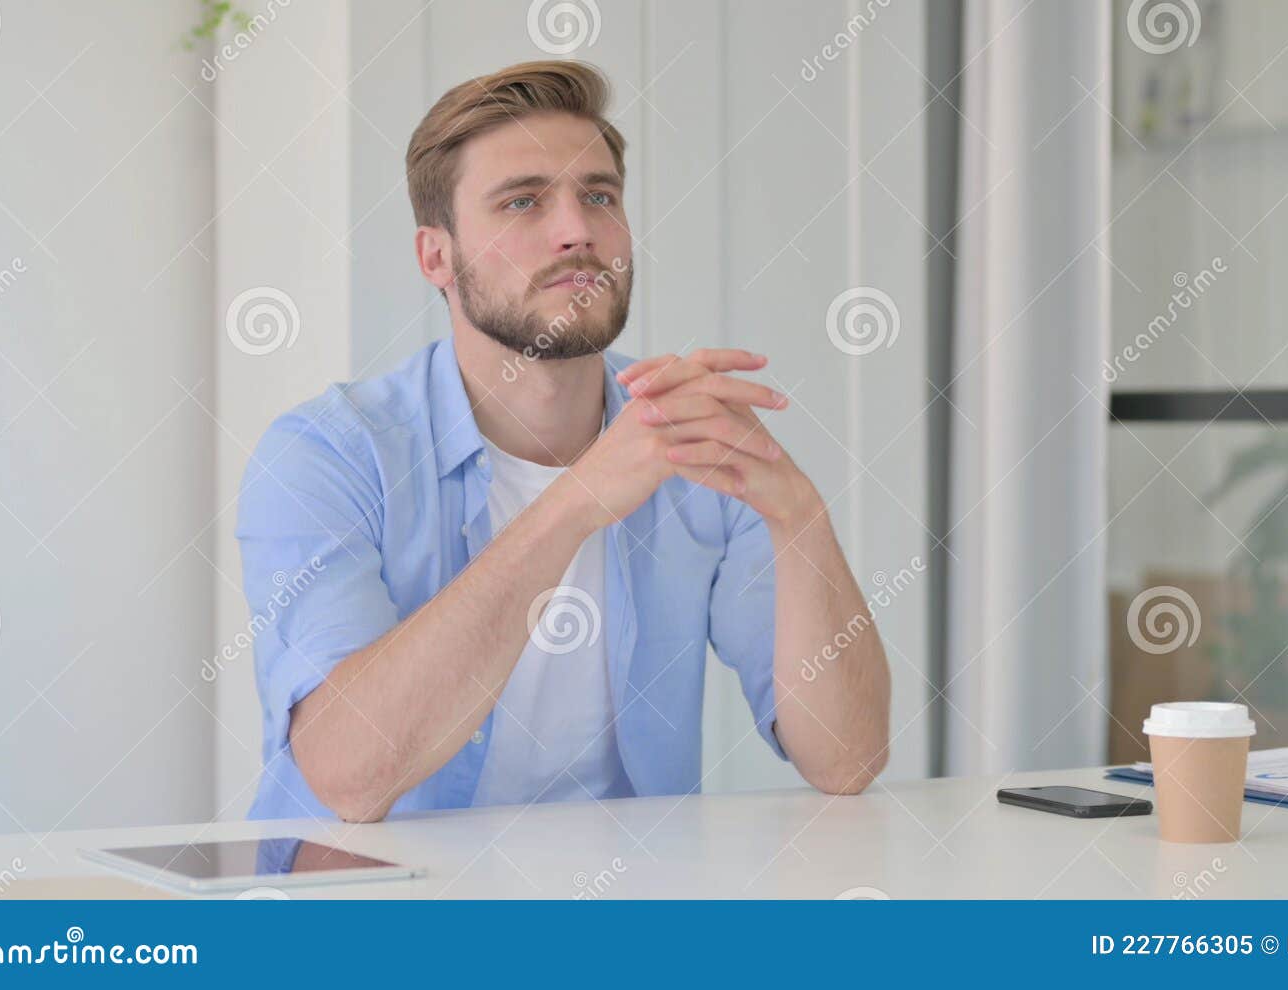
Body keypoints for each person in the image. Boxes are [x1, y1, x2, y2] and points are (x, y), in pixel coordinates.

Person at [237, 59, 891, 824]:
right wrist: (577, 501)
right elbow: (347, 773)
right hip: (376, 914)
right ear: (436, 257)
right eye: (522, 202)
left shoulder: (689, 439)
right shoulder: (325, 455)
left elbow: (846, 761)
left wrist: (798, 518)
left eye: (599, 196)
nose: (578, 230)